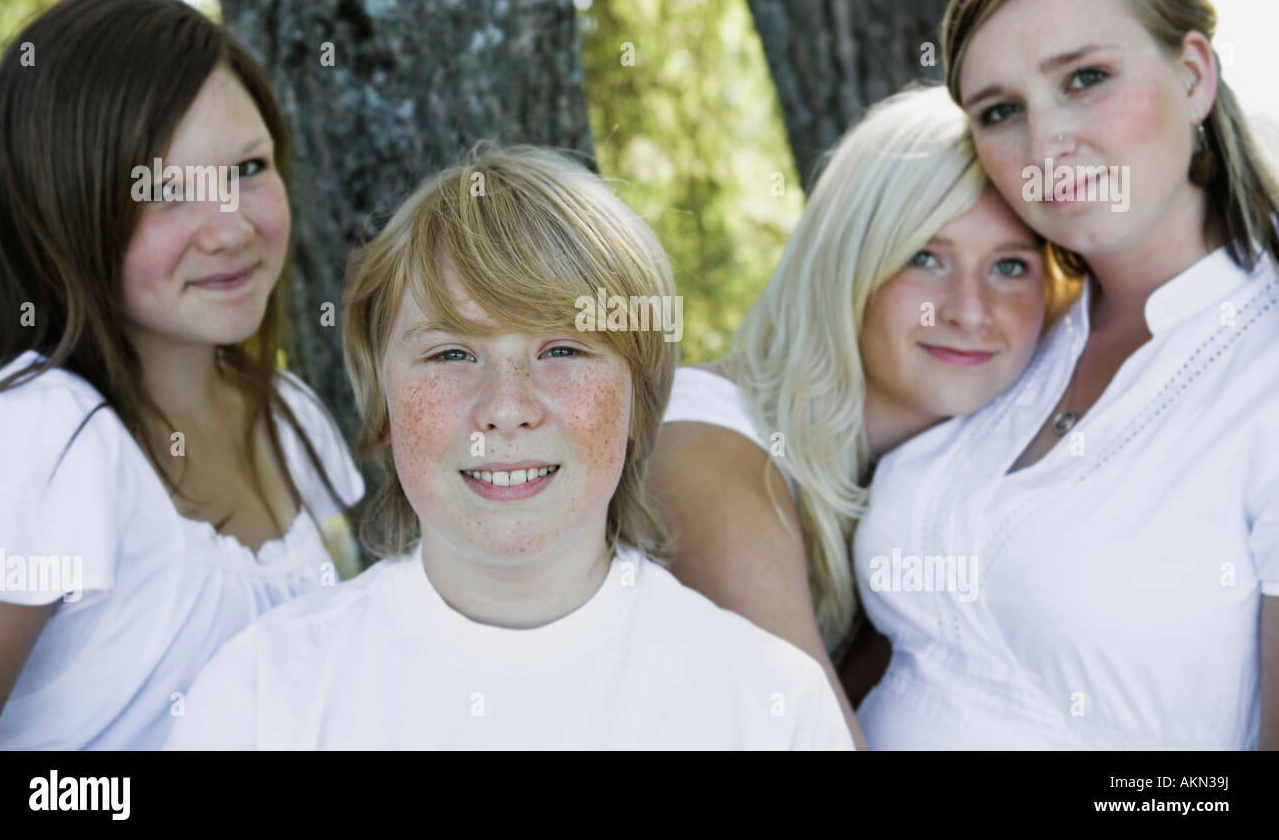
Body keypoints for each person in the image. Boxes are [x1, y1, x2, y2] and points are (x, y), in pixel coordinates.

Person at [164, 144, 853, 750]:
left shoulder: (771, 707)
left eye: (562, 349)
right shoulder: (260, 693)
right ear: (382, 404)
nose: (506, 408)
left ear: (640, 398)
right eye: (451, 354)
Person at [854, 0, 1279, 749]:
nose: (1046, 146)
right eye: (1000, 111)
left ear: (1194, 74)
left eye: (1084, 78)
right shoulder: (1006, 323)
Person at [0, 0, 363, 749]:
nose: (228, 228)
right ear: (58, 209)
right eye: (162, 190)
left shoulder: (290, 418)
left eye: (248, 167)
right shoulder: (41, 438)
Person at [646, 84, 1079, 748]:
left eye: (1011, 266)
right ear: (850, 260)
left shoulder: (923, 488)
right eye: (925, 257)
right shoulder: (709, 447)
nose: (967, 310)